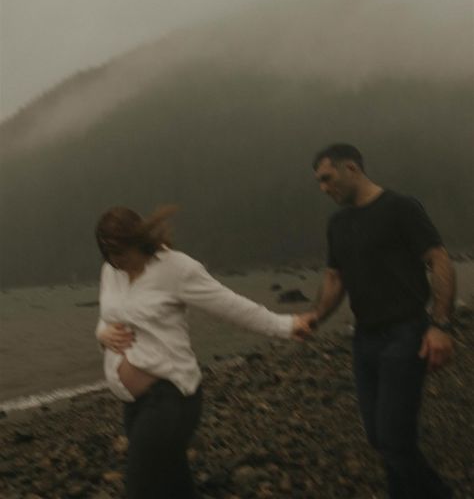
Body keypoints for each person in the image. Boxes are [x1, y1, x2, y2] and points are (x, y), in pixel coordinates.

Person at [95, 205, 315, 499]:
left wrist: (286, 325)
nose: (114, 262)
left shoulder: (176, 269)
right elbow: (109, 315)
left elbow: (230, 306)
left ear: (139, 240)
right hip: (133, 403)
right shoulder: (111, 271)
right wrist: (100, 333)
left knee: (141, 489)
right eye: (107, 254)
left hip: (170, 399)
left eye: (119, 253)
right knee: (174, 486)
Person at [311, 143, 455, 499]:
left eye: (327, 179)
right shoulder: (338, 223)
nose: (324, 189)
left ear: (352, 169)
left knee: (393, 438)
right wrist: (312, 318)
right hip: (365, 339)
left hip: (406, 333)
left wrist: (440, 326)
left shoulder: (400, 208)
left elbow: (438, 261)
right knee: (380, 438)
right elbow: (334, 279)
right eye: (319, 182)